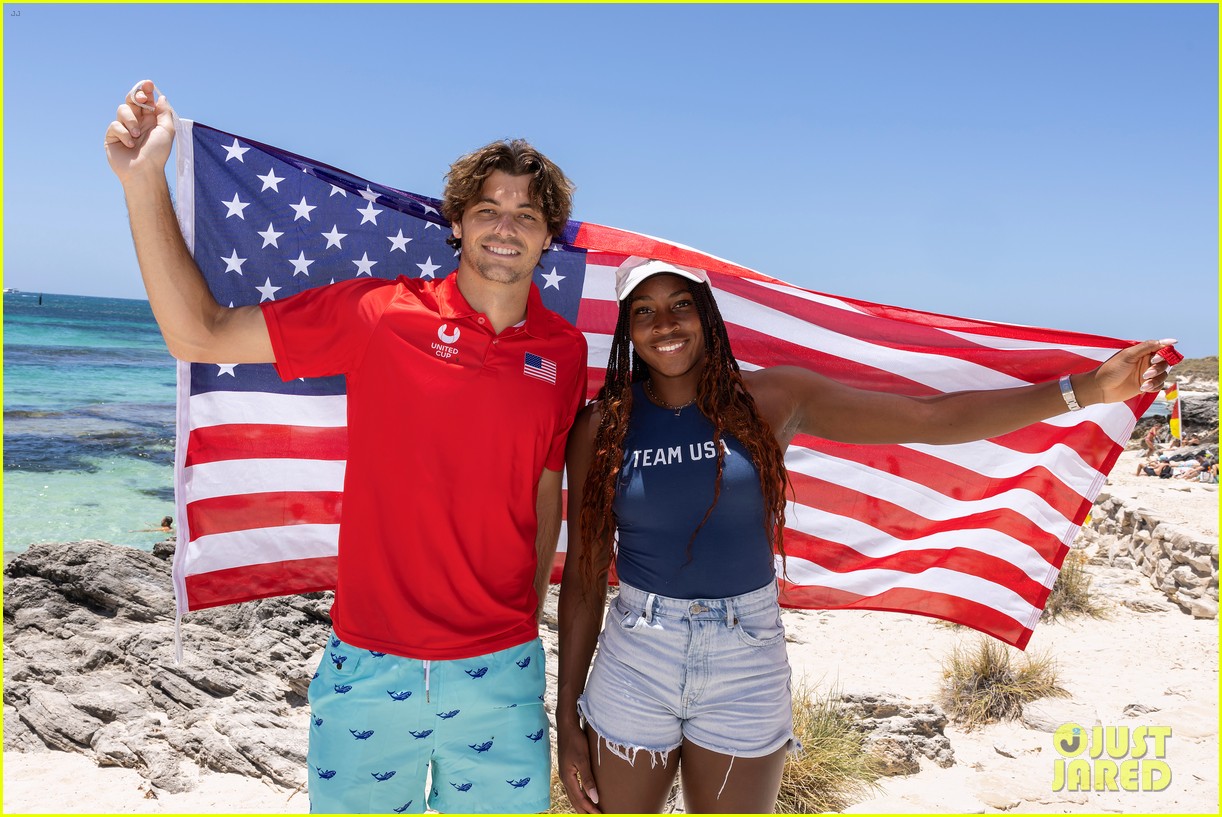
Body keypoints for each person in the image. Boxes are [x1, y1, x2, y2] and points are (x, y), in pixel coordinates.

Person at [106, 80, 587, 814]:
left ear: (549, 235)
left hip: (501, 670)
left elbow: (545, 481)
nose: (505, 225)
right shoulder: (381, 315)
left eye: (527, 213)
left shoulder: (565, 350)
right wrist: (144, 181)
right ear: (455, 223)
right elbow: (197, 332)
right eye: (488, 208)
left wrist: (524, 605)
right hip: (370, 666)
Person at [557, 258, 1173, 814]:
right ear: (627, 331)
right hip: (639, 652)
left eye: (680, 305)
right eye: (644, 312)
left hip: (745, 654)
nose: (665, 323)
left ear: (706, 314)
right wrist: (567, 720)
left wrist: (1087, 390)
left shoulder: (773, 398)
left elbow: (932, 420)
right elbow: (585, 579)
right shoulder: (604, 426)